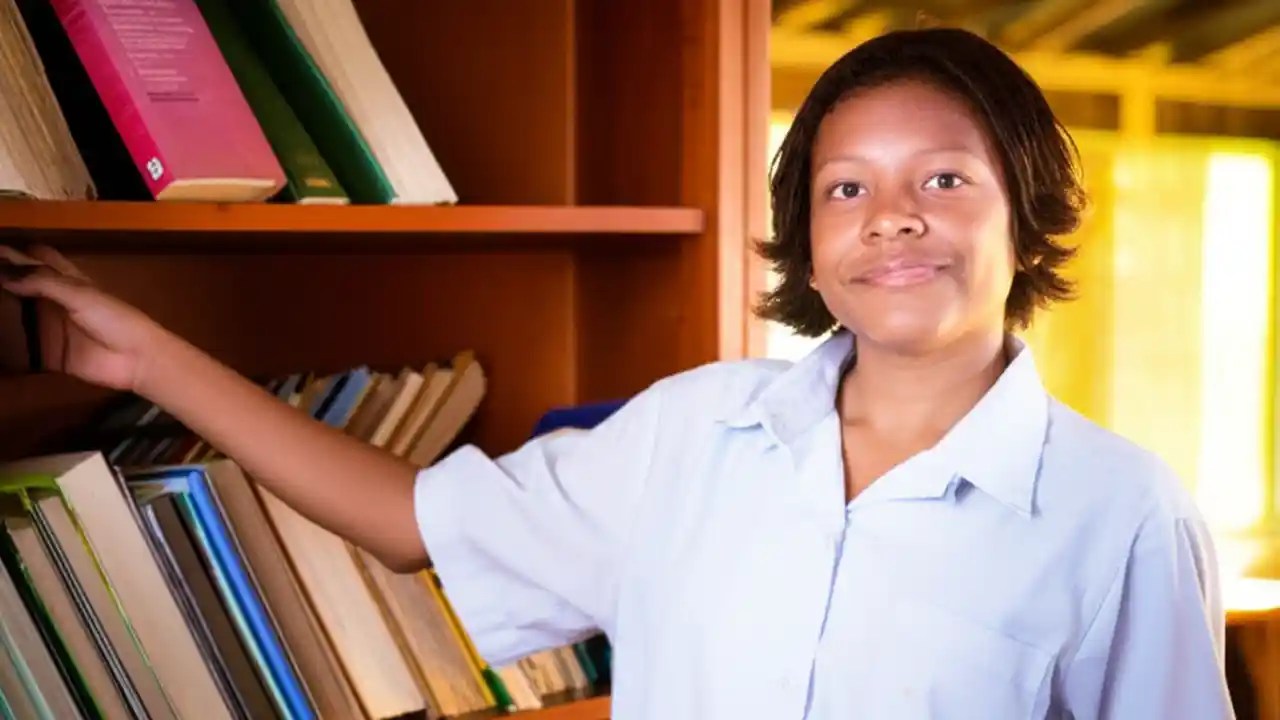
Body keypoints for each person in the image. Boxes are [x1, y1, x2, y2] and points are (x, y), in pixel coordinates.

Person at [0, 27, 1233, 720]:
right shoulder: (692, 433)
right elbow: (405, 520)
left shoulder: (1118, 512)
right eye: (844, 186)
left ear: (1028, 215)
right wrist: (140, 351)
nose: (892, 218)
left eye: (944, 179)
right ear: (806, 234)